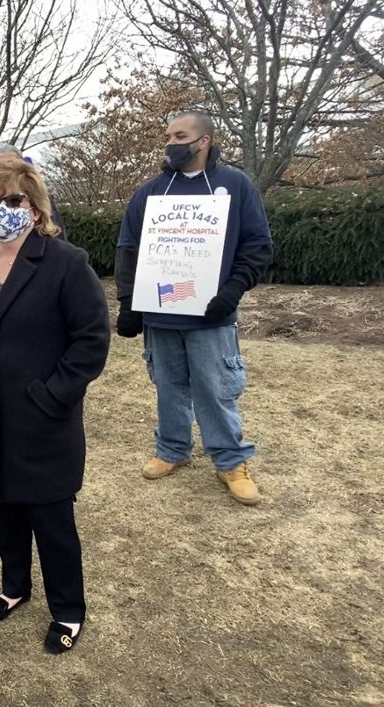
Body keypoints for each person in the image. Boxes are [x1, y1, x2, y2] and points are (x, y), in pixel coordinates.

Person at [0, 159, 109, 654]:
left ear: (35, 208)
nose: (3, 209)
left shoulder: (66, 263)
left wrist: (52, 395)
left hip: (44, 422)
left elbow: (91, 340)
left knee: (52, 522)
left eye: (13, 199)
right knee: (4, 508)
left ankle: (68, 608)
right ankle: (14, 585)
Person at [114, 111, 272, 505]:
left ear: (203, 141)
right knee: (168, 386)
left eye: (180, 136)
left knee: (216, 389)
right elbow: (128, 247)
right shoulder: (151, 192)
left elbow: (257, 245)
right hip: (160, 313)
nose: (171, 143)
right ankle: (172, 448)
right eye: (168, 136)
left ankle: (230, 461)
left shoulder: (235, 185)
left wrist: (232, 292)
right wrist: (128, 302)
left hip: (211, 316)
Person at [0, 144, 68, 249]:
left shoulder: (40, 199)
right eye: (1, 167)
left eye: (14, 200)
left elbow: (56, 235)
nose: (7, 171)